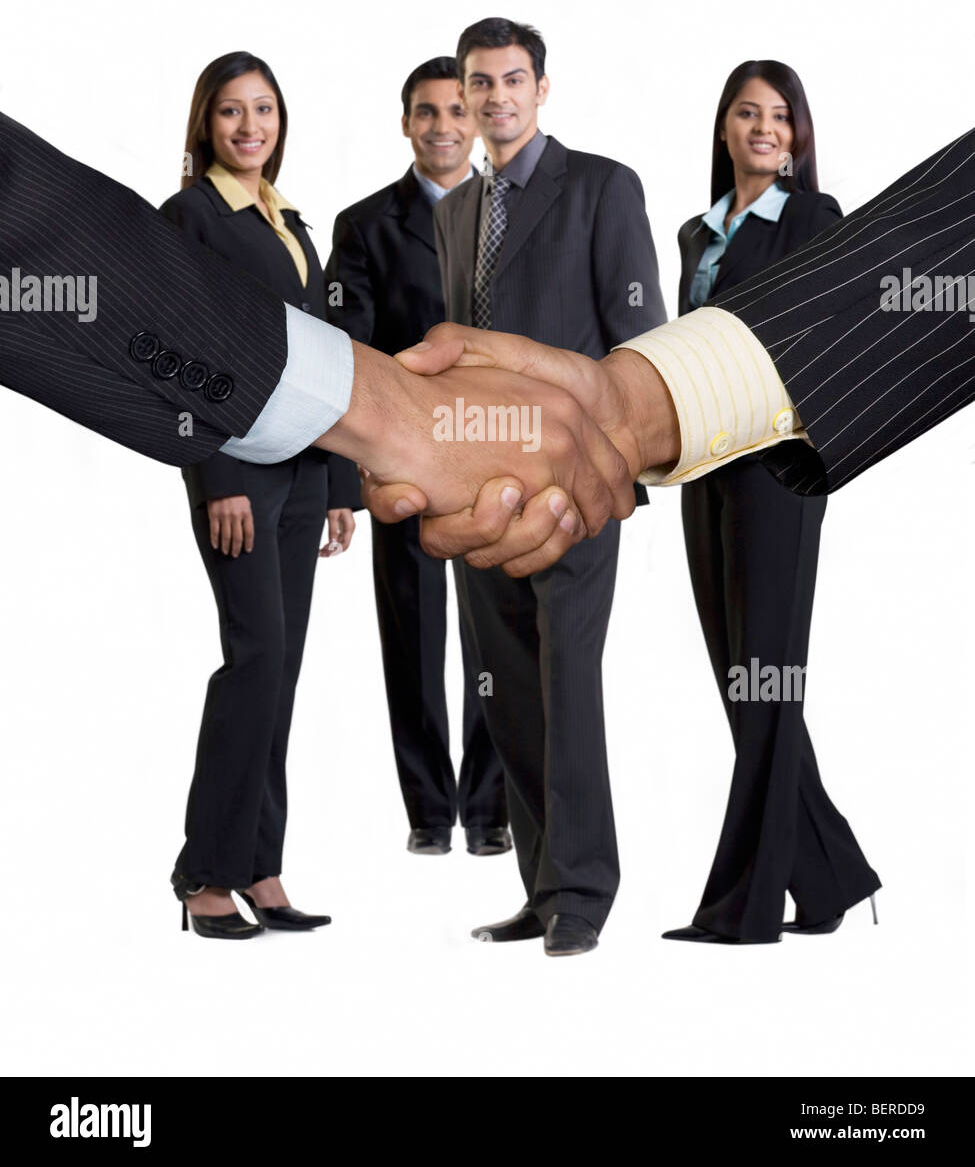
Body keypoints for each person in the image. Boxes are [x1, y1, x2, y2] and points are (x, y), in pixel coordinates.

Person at [1, 108, 972, 567]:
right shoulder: (353, 218)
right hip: (318, 468)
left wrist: (624, 411)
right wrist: (386, 410)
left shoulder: (599, 190)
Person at [432, 18, 666, 956]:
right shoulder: (454, 211)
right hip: (476, 485)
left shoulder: (601, 188)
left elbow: (635, 346)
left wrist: (615, 473)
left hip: (571, 484)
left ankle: (582, 892)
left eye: (512, 80)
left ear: (541, 88)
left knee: (568, 682)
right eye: (479, 84)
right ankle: (540, 883)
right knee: (507, 693)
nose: (495, 98)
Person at [662, 60, 879, 944]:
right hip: (703, 471)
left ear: (797, 136)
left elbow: (831, 330)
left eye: (779, 117)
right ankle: (830, 876)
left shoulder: (813, 220)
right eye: (746, 114)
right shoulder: (694, 232)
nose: (763, 129)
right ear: (723, 129)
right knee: (741, 681)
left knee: (768, 680)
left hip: (778, 472)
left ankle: (742, 909)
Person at [159, 52, 360, 939]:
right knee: (254, 662)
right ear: (205, 123)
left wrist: (343, 481)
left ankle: (260, 867)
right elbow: (179, 359)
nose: (250, 127)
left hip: (306, 473)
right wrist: (221, 479)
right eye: (232, 113)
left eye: (264, 110)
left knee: (281, 672)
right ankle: (202, 873)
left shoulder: (288, 220)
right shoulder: (191, 218)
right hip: (241, 474)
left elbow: (325, 356)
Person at [325, 57, 510, 858]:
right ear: (405, 123)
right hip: (397, 456)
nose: (442, 126)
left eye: (455, 110)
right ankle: (429, 812)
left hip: (495, 453)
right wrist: (345, 477)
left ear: (476, 119)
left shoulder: (512, 215)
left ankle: (491, 808)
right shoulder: (364, 225)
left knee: (496, 638)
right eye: (425, 112)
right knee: (411, 631)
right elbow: (342, 351)